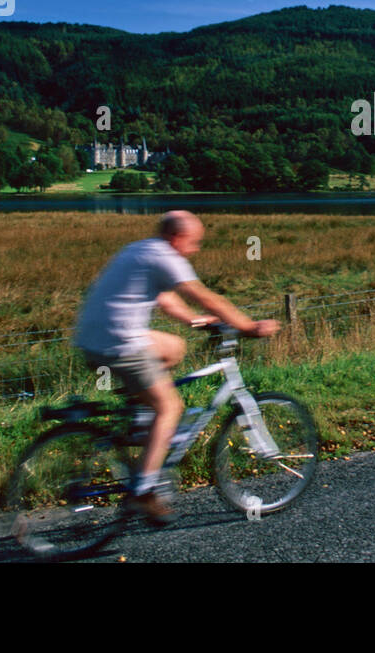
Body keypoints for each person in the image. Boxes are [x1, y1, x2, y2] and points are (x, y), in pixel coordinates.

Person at [72, 210, 279, 523]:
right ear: (176, 237)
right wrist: (249, 327)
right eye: (193, 243)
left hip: (94, 339)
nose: (195, 249)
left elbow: (168, 302)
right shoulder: (166, 257)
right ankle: (143, 492)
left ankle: (141, 420)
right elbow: (206, 297)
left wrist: (200, 322)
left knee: (174, 347)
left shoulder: (140, 250)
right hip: (119, 343)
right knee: (170, 406)